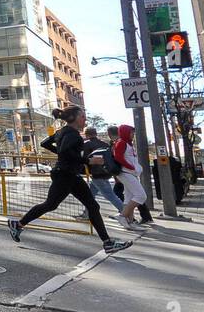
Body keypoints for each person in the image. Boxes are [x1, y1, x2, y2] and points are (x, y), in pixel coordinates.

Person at [8, 106, 130, 255]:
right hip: (65, 174)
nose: (85, 120)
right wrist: (89, 161)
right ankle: (18, 224)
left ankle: (108, 243)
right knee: (51, 205)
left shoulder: (62, 132)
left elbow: (45, 144)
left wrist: (65, 154)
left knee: (91, 206)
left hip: (69, 174)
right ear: (74, 118)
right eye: (83, 117)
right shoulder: (73, 134)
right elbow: (65, 151)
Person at [108, 125, 152, 223]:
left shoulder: (126, 143)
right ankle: (123, 216)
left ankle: (130, 221)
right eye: (131, 132)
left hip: (129, 173)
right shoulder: (122, 143)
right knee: (141, 196)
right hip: (126, 173)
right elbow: (118, 157)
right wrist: (130, 167)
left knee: (129, 198)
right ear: (125, 132)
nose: (133, 135)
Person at [81, 126, 124, 211]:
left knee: (110, 196)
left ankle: (127, 213)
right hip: (106, 171)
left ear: (86, 135)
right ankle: (87, 213)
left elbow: (85, 159)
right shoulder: (105, 144)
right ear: (96, 133)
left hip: (95, 173)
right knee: (90, 195)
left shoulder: (86, 144)